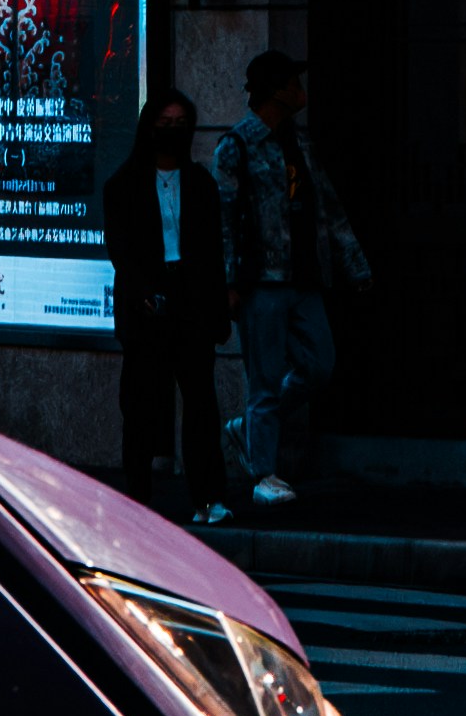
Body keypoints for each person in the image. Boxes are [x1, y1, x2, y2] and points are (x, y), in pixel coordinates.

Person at [204, 46, 370, 525]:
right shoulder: (237, 145)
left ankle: (249, 432)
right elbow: (224, 222)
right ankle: (263, 475)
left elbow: (329, 209)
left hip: (304, 276)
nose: (301, 91)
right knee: (263, 378)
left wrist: (355, 266)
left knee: (319, 364)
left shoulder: (299, 142)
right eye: (293, 83)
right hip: (262, 282)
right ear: (275, 90)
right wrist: (230, 282)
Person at [103, 81, 229, 504]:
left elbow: (213, 251)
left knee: (201, 404)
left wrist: (218, 310)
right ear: (149, 127)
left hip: (192, 301)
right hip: (146, 305)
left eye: (180, 123)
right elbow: (121, 250)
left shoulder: (201, 183)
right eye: (164, 122)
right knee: (140, 407)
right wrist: (143, 293)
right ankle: (138, 497)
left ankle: (208, 497)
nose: (173, 129)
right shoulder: (123, 185)